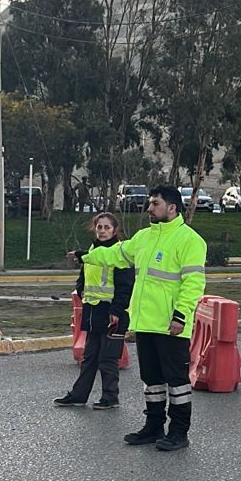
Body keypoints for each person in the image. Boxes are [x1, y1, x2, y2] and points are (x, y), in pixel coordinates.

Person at [70, 186, 207, 452]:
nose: (149, 208)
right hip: (145, 323)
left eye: (155, 203)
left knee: (177, 382)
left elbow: (193, 284)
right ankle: (153, 427)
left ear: (172, 208)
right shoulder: (144, 238)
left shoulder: (189, 240)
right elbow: (114, 254)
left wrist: (180, 315)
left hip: (171, 325)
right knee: (152, 380)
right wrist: (85, 256)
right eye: (149, 203)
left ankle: (179, 432)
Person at [55, 212, 133, 410]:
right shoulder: (92, 250)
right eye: (99, 227)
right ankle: (79, 396)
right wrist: (81, 290)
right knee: (89, 358)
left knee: (108, 359)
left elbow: (125, 286)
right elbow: (85, 276)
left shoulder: (120, 252)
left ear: (115, 230)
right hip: (93, 310)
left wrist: (116, 310)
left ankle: (110, 397)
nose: (103, 231)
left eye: (107, 227)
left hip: (112, 313)